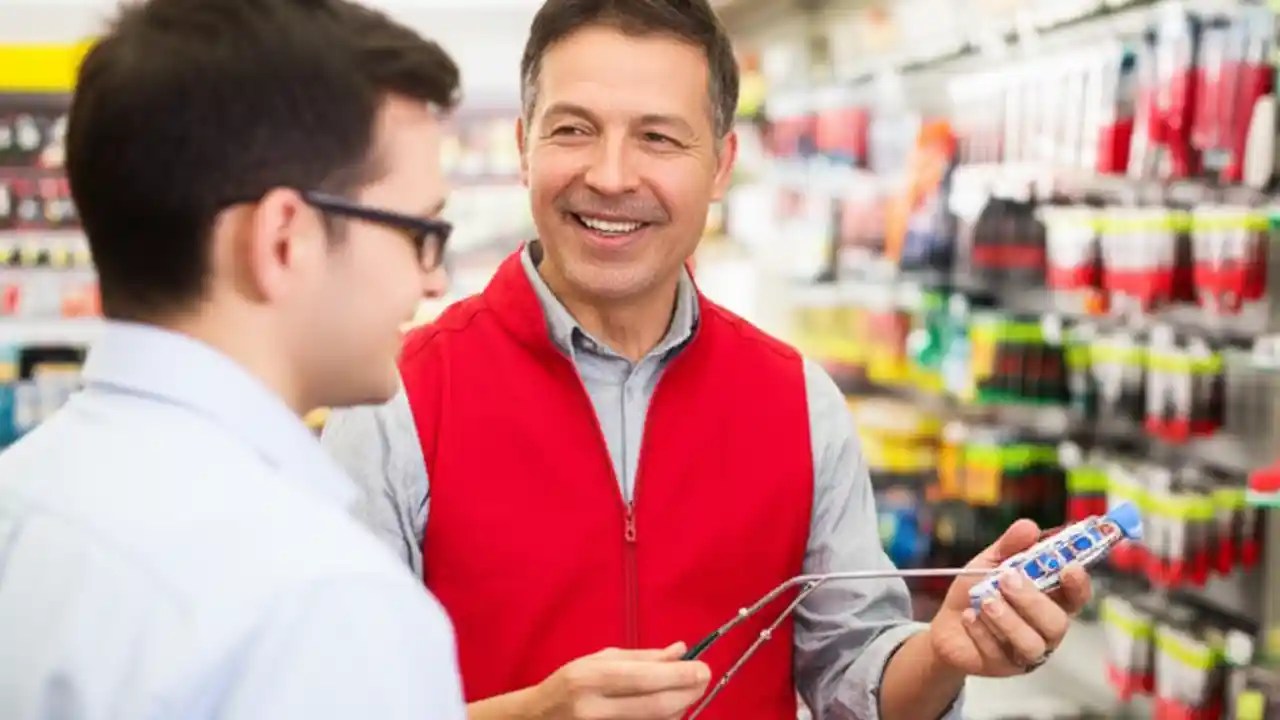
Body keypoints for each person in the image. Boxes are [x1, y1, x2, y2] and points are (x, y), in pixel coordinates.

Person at [321, 0, 1094, 718]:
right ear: (524, 145)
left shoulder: (797, 402)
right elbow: (329, 697)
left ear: (721, 165)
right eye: (573, 129)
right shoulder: (396, 400)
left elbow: (853, 668)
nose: (612, 175)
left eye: (658, 137)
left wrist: (941, 657)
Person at [0, 0, 465, 718]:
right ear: (284, 239)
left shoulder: (23, 498)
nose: (433, 279)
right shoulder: (327, 601)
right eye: (420, 233)